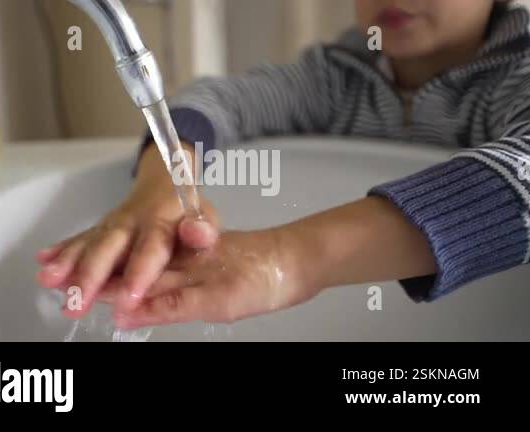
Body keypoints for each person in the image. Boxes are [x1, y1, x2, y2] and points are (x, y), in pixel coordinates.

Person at [37, 0, 530, 330]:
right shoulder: (337, 77)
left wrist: (287, 259)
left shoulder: (519, 72)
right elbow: (223, 101)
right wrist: (164, 187)